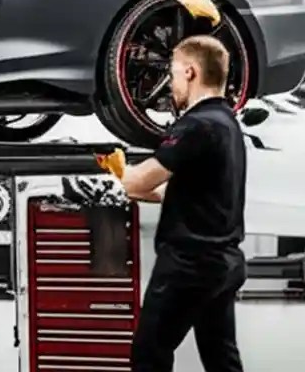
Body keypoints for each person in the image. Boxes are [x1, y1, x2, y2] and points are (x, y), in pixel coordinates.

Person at [96, 34, 247, 372]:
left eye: (174, 74)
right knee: (221, 358)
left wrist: (117, 168)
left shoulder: (196, 125)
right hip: (223, 264)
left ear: (191, 72)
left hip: (189, 265)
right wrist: (131, 185)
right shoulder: (227, 124)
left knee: (150, 354)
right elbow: (179, 191)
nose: (170, 85)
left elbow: (138, 181)